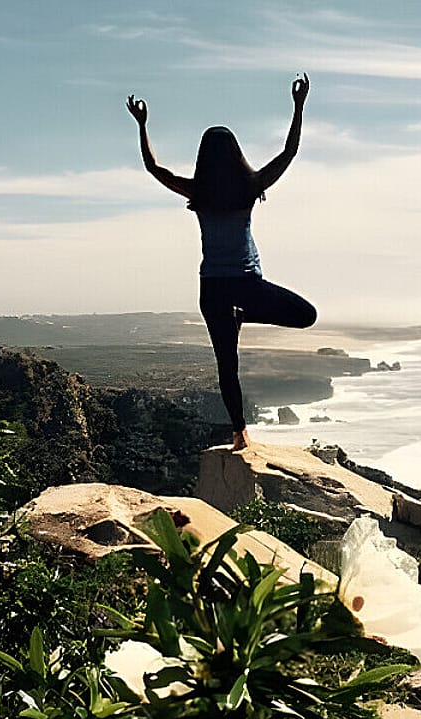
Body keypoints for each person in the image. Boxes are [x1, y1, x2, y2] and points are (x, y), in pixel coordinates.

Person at [127, 74, 316, 451]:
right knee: (305, 315)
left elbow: (154, 168)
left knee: (226, 364)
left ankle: (239, 432)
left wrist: (142, 126)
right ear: (236, 154)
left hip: (212, 288)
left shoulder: (199, 191)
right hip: (246, 283)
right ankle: (240, 428)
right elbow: (289, 153)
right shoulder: (251, 186)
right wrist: (298, 106)